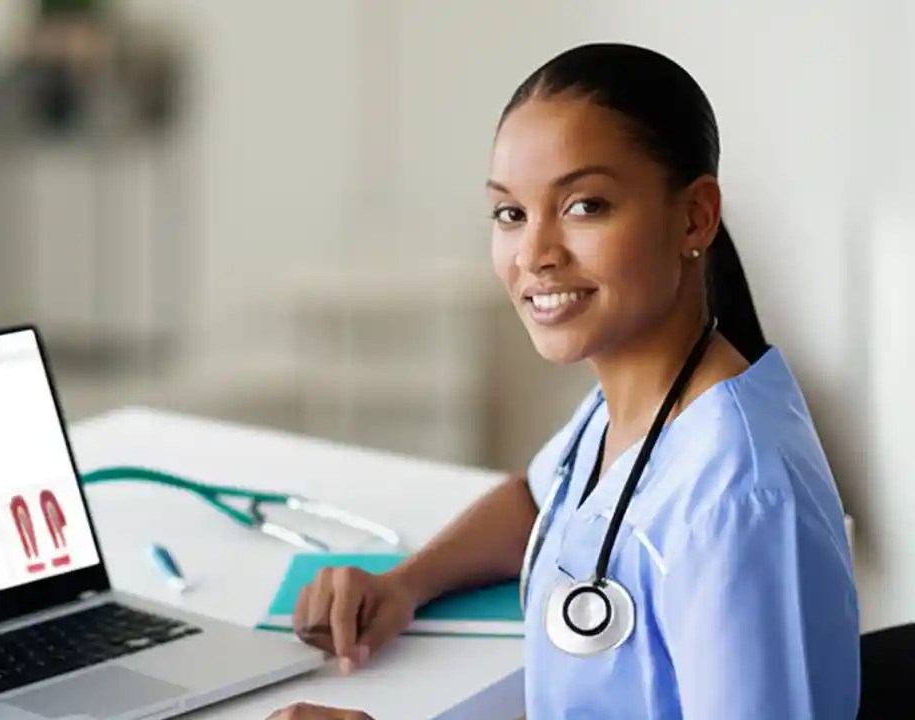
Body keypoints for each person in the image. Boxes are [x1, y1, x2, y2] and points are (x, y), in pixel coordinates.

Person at [266, 42, 860, 719]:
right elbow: (538, 503)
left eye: (585, 206)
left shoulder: (735, 499)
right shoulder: (633, 402)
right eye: (511, 214)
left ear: (694, 216)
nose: (535, 255)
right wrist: (404, 585)